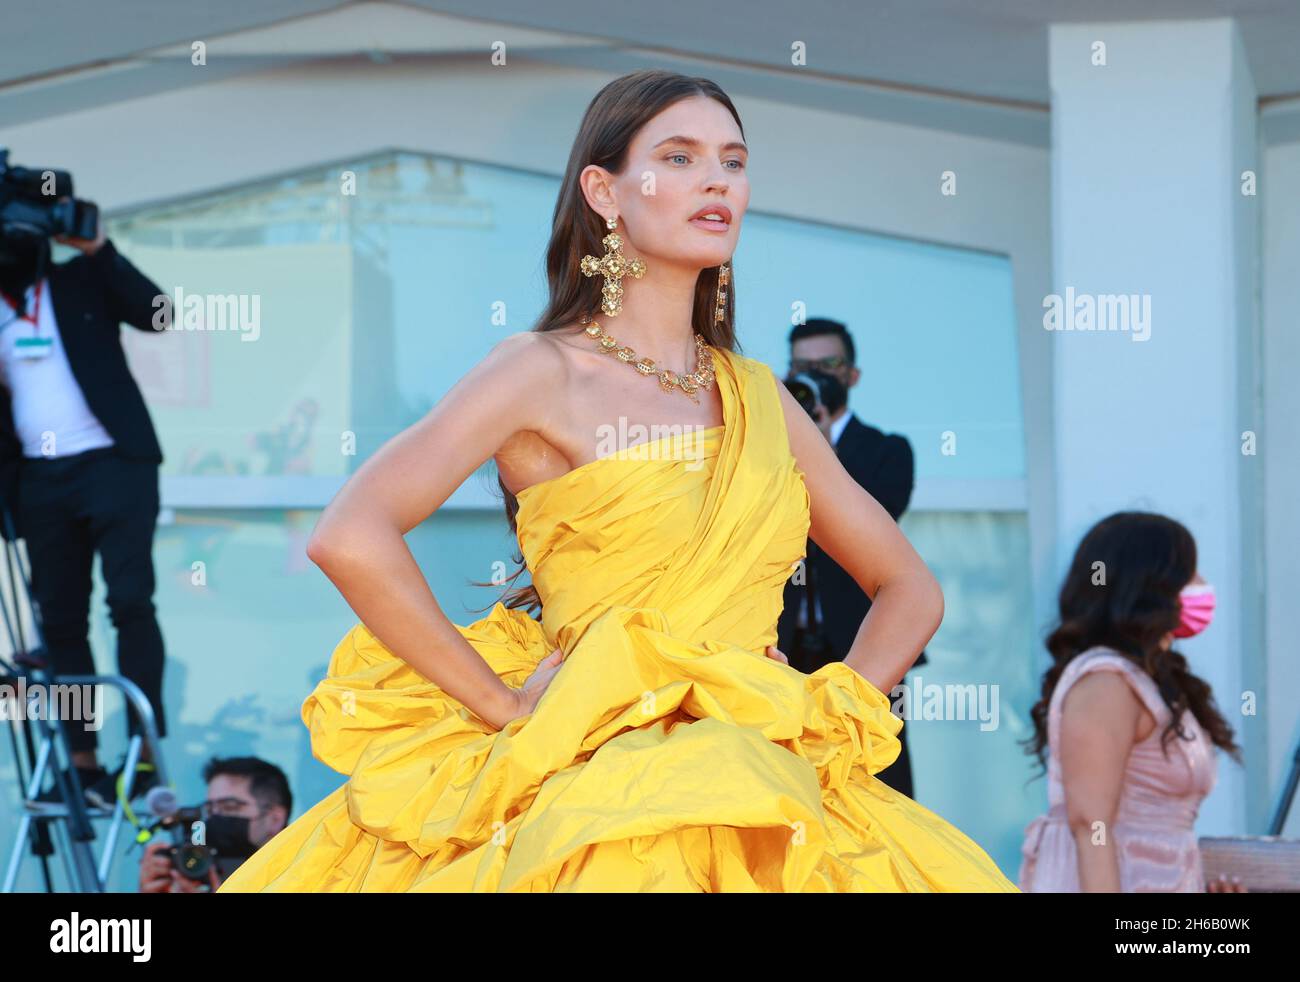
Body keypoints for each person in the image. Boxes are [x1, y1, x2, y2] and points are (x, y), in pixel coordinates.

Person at [220, 69, 1016, 892]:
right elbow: (350, 534)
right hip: (584, 781)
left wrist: (826, 713)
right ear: (603, 191)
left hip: (761, 779)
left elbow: (910, 589)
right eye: (678, 157)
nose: (716, 181)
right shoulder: (539, 371)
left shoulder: (760, 397)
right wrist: (503, 705)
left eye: (733, 162)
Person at [0, 217, 169, 809]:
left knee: (128, 602)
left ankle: (145, 758)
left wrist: (98, 247)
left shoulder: (79, 280)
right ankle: (82, 765)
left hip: (113, 463)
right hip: (38, 479)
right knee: (60, 623)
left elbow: (159, 314)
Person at [1018, 512, 1243, 892]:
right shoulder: (1105, 682)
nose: (1202, 585)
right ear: (1149, 585)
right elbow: (1092, 826)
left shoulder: (1149, 680)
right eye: (1188, 573)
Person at [776, 317, 923, 798]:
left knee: (878, 780)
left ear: (852, 374)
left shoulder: (886, 449)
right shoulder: (775, 444)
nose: (816, 374)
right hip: (784, 646)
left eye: (828, 364)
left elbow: (878, 511)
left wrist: (814, 446)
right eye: (803, 365)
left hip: (867, 643)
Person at [140, 757, 291, 893]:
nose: (215, 819)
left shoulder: (302, 876)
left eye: (230, 807)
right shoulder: (196, 865)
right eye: (210, 810)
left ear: (275, 819)